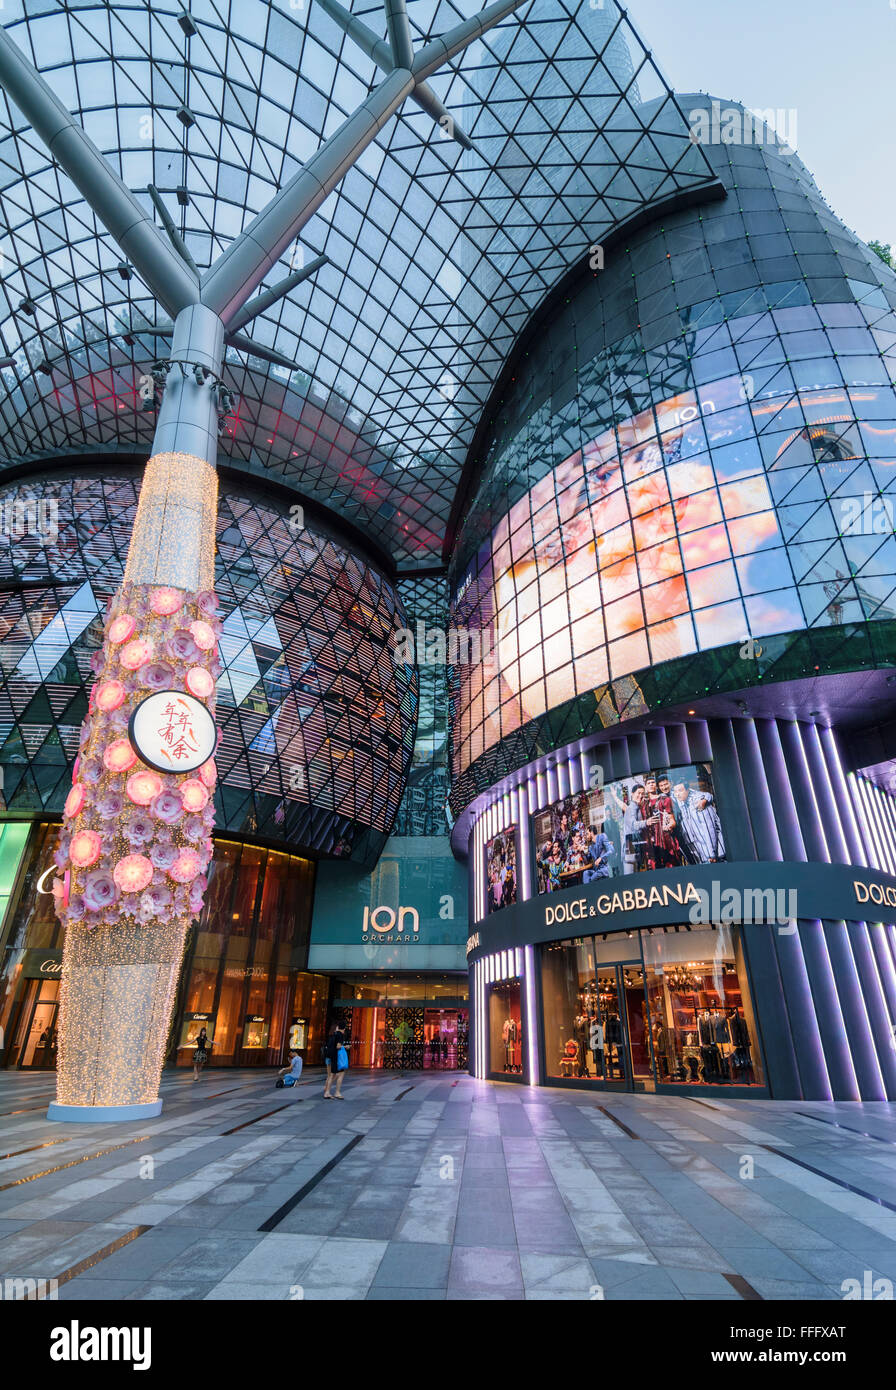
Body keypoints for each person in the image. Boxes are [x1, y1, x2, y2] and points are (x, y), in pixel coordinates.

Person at [672, 781, 726, 863]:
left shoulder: (698, 801)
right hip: (699, 854)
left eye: (680, 790)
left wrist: (711, 854)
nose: (677, 794)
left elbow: (709, 829)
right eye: (675, 792)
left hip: (713, 855)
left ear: (688, 790)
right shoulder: (680, 800)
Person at [622, 784, 649, 873]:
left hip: (634, 848)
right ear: (632, 794)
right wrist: (647, 822)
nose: (641, 796)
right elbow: (634, 825)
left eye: (643, 793)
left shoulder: (636, 807)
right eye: (638, 793)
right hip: (630, 849)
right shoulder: (631, 808)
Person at [323, 1021, 347, 1099]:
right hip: (336, 1057)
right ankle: (337, 1092)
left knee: (331, 1075)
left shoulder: (334, 1034)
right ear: (344, 1028)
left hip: (330, 1056)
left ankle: (327, 1092)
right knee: (341, 1074)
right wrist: (345, 1047)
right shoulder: (340, 1035)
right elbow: (338, 1046)